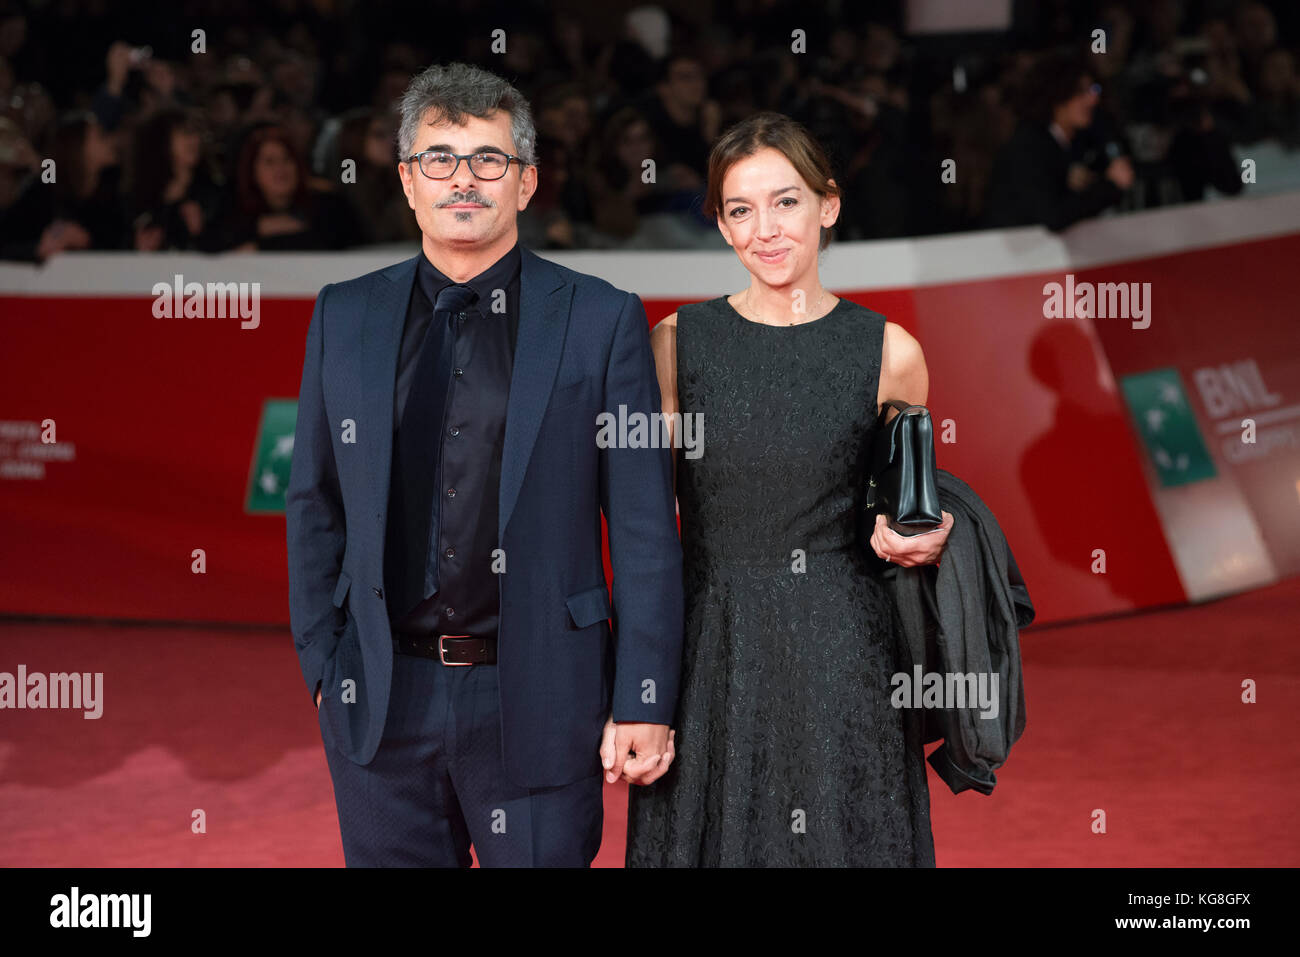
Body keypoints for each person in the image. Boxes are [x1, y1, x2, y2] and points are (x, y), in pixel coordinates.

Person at [286, 61, 683, 867]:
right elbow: (315, 502)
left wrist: (644, 694)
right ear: (406, 180)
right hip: (380, 700)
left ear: (527, 182)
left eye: (488, 161)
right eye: (439, 159)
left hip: (540, 696)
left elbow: (643, 525)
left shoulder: (600, 320)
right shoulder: (345, 314)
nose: (462, 181)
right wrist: (325, 665)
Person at [622, 111, 953, 867]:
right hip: (713, 650)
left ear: (828, 205)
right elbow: (643, 526)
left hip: (845, 653)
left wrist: (930, 534)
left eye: (786, 202)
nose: (764, 229)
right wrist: (636, 687)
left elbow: (911, 499)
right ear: (720, 223)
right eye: (740, 210)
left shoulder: (891, 353)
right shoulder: (676, 345)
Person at [983, 52, 1134, 231]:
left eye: (1094, 89)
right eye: (1081, 91)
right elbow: (1053, 217)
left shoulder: (1077, 141)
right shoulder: (1029, 145)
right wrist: (1109, 185)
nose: (1093, 99)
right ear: (1056, 95)